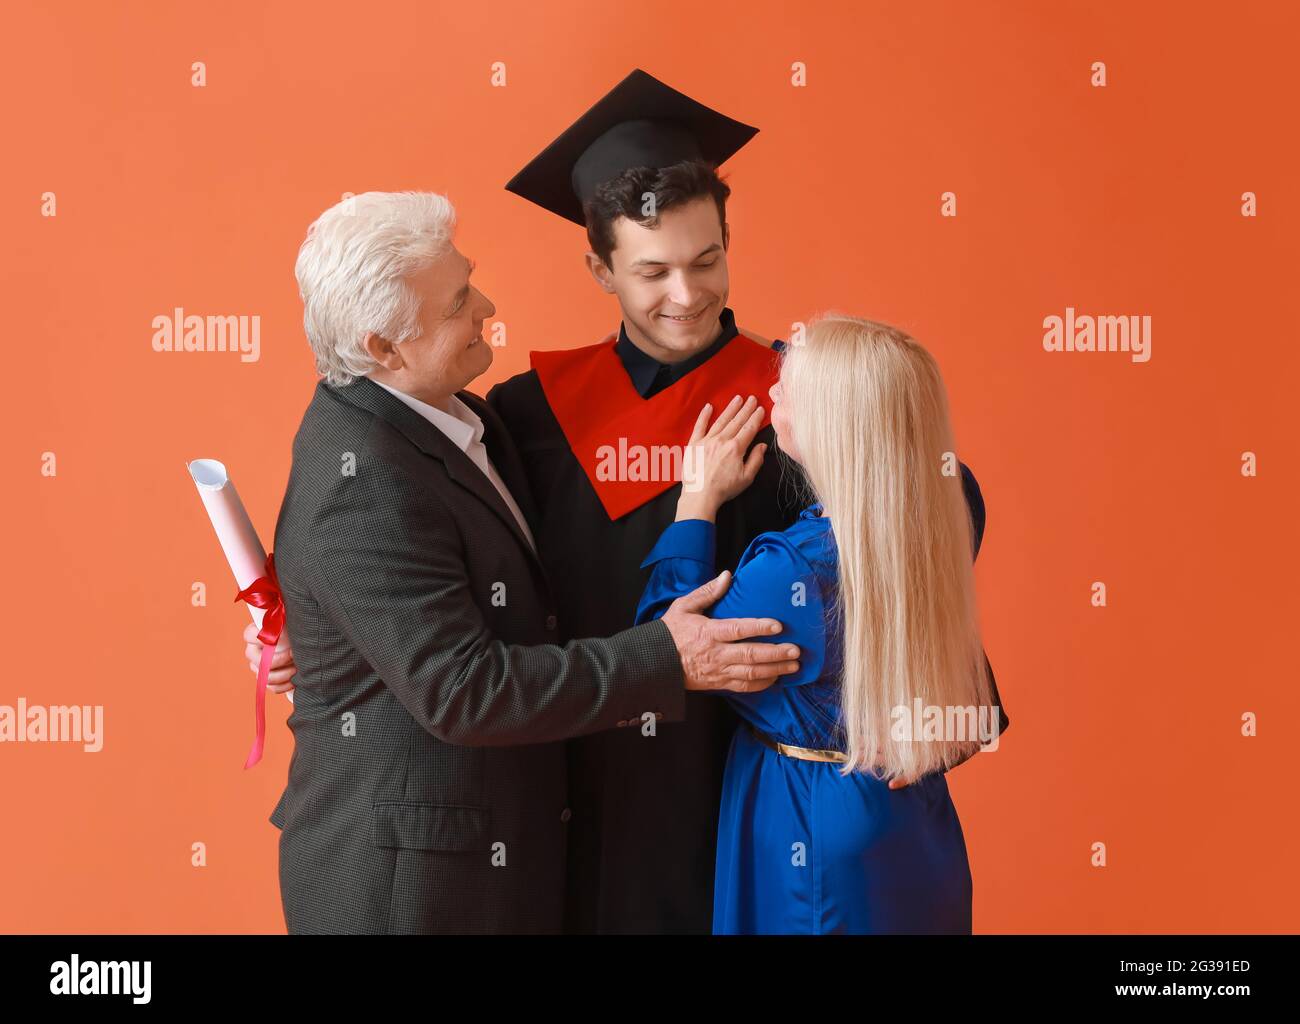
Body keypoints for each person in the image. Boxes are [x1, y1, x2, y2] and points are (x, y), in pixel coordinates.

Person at [249, 69, 1008, 933]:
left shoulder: (806, 404)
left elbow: (920, 510)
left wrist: (937, 688)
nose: (685, 296)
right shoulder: (525, 417)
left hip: (739, 782)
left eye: (706, 259)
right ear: (600, 268)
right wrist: (316, 629)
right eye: (650, 271)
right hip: (567, 785)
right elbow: (435, 575)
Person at [260, 190, 801, 934]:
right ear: (383, 346)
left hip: (509, 850)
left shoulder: (468, 418)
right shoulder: (363, 484)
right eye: (457, 303)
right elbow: (462, 690)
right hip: (410, 884)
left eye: (470, 278)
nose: (486, 304)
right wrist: (668, 656)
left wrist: (309, 624)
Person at [635, 315, 1002, 933]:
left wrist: (695, 501)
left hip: (811, 818)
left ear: (831, 424)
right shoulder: (953, 500)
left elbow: (665, 644)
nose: (771, 386)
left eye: (790, 385)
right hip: (909, 814)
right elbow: (886, 405)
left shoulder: (793, 571)